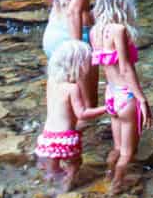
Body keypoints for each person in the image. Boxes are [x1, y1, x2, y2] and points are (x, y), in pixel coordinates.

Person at [90, 0, 153, 193]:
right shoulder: (119, 30)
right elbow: (126, 69)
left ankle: (108, 174)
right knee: (128, 152)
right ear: (123, 3)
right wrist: (142, 100)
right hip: (126, 96)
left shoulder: (94, 32)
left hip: (110, 95)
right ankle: (116, 185)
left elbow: (106, 65)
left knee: (116, 148)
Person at [35, 40, 106, 190]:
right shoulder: (72, 88)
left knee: (53, 165)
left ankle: (51, 180)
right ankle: (67, 184)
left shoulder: (51, 81)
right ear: (78, 66)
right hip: (66, 138)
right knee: (75, 163)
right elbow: (83, 114)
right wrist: (106, 108)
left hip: (48, 137)